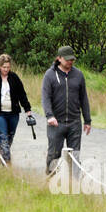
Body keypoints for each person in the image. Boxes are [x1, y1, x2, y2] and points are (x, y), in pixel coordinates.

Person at [41, 46, 91, 175]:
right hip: (56, 123)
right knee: (53, 155)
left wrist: (87, 120)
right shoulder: (50, 75)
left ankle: (73, 184)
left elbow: (83, 98)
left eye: (72, 59)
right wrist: (49, 115)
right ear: (59, 58)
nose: (70, 62)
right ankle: (50, 180)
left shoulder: (78, 75)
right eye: (67, 59)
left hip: (74, 122)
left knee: (75, 155)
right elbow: (45, 98)